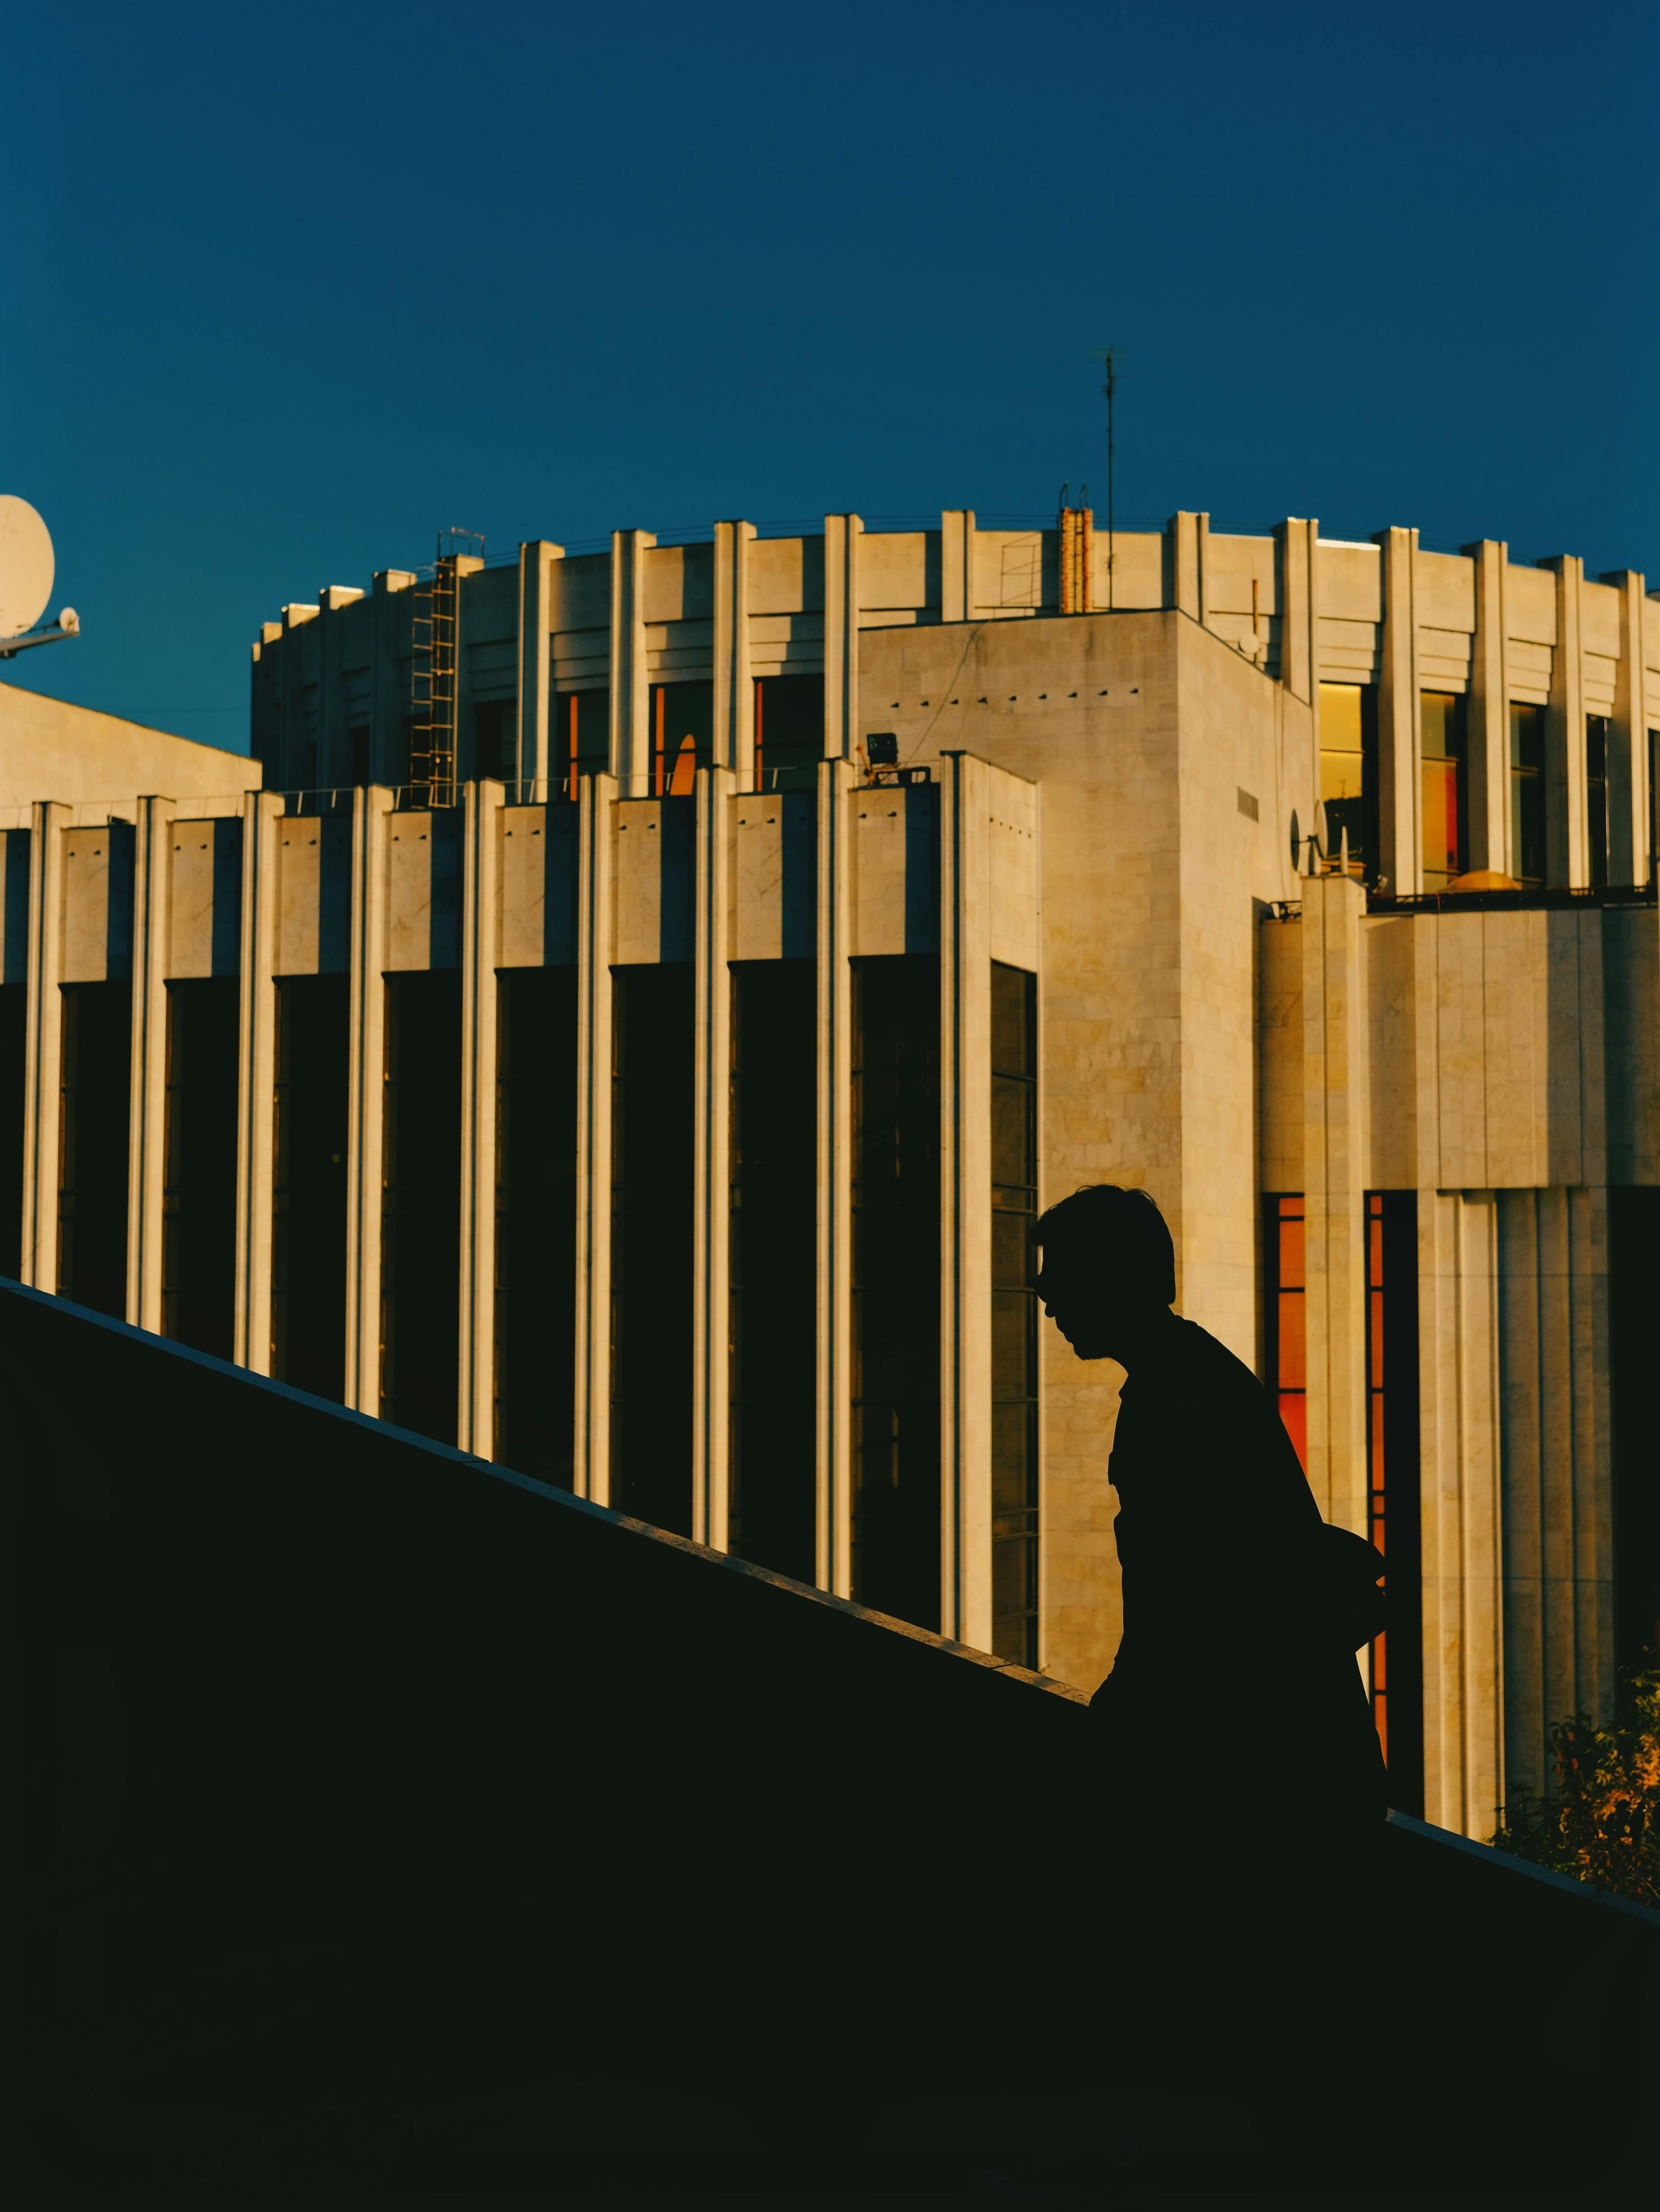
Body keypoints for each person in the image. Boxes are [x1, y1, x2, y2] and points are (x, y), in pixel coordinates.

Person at [1034, 1184, 1388, 1851]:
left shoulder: (1177, 1402)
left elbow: (1190, 1606)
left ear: (1110, 1277)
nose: (1047, 1300)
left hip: (1272, 1781)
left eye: (1060, 1278)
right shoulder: (1185, 1376)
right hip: (1287, 1766)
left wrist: (1122, 1712)